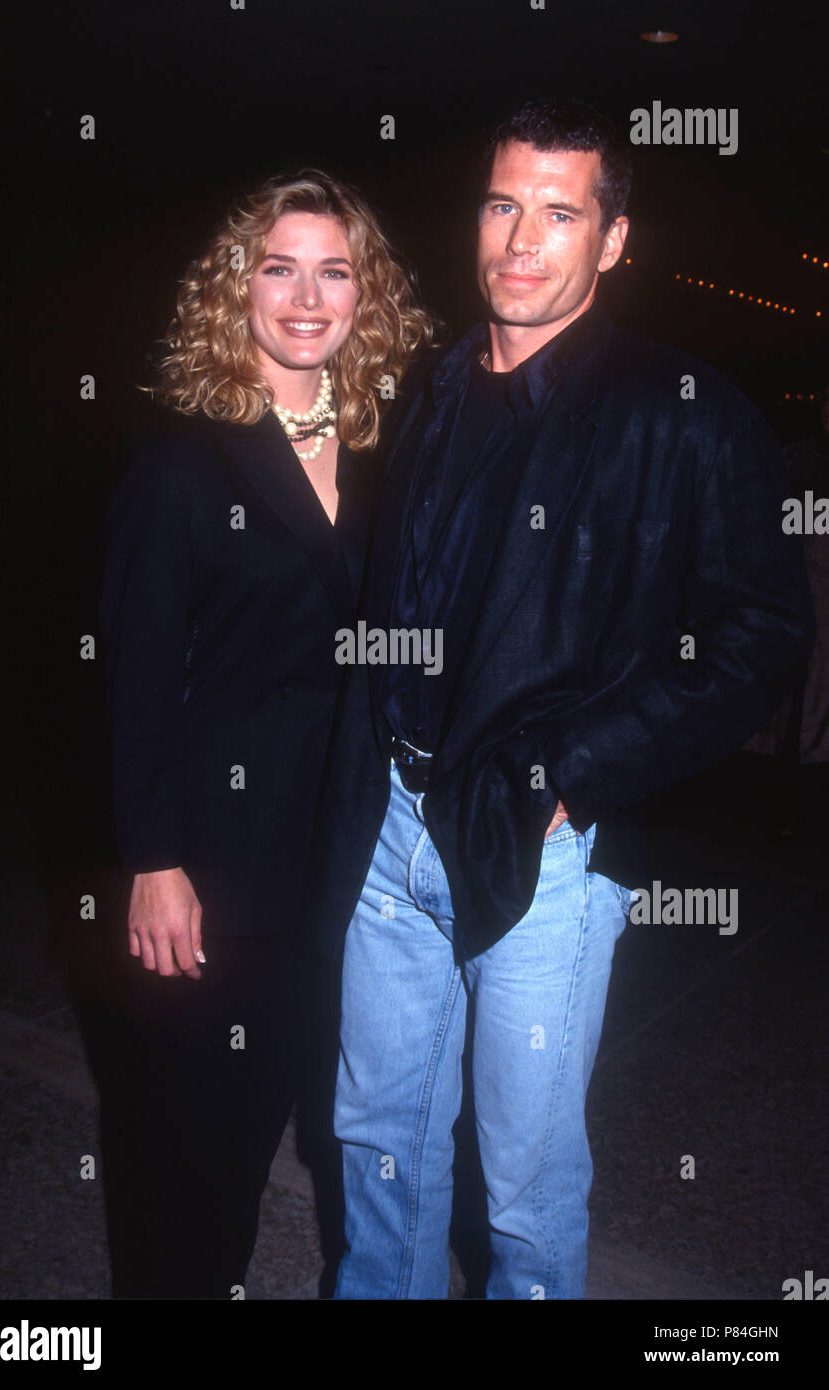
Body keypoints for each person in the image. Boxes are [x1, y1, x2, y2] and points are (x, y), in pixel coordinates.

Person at [304, 99, 814, 1299]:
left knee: (524, 1194)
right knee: (377, 1143)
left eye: (560, 213)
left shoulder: (679, 413)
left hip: (545, 857)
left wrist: (573, 776)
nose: (521, 241)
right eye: (501, 205)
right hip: (392, 828)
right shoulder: (431, 385)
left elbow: (764, 633)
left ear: (614, 239)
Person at [96, 169, 434, 1298]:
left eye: (333, 272)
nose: (305, 297)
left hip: (345, 861)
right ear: (235, 288)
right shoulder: (182, 460)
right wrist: (153, 859)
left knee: (301, 1125)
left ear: (364, 296)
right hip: (214, 866)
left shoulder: (388, 452)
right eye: (278, 269)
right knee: (194, 1152)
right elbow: (138, 676)